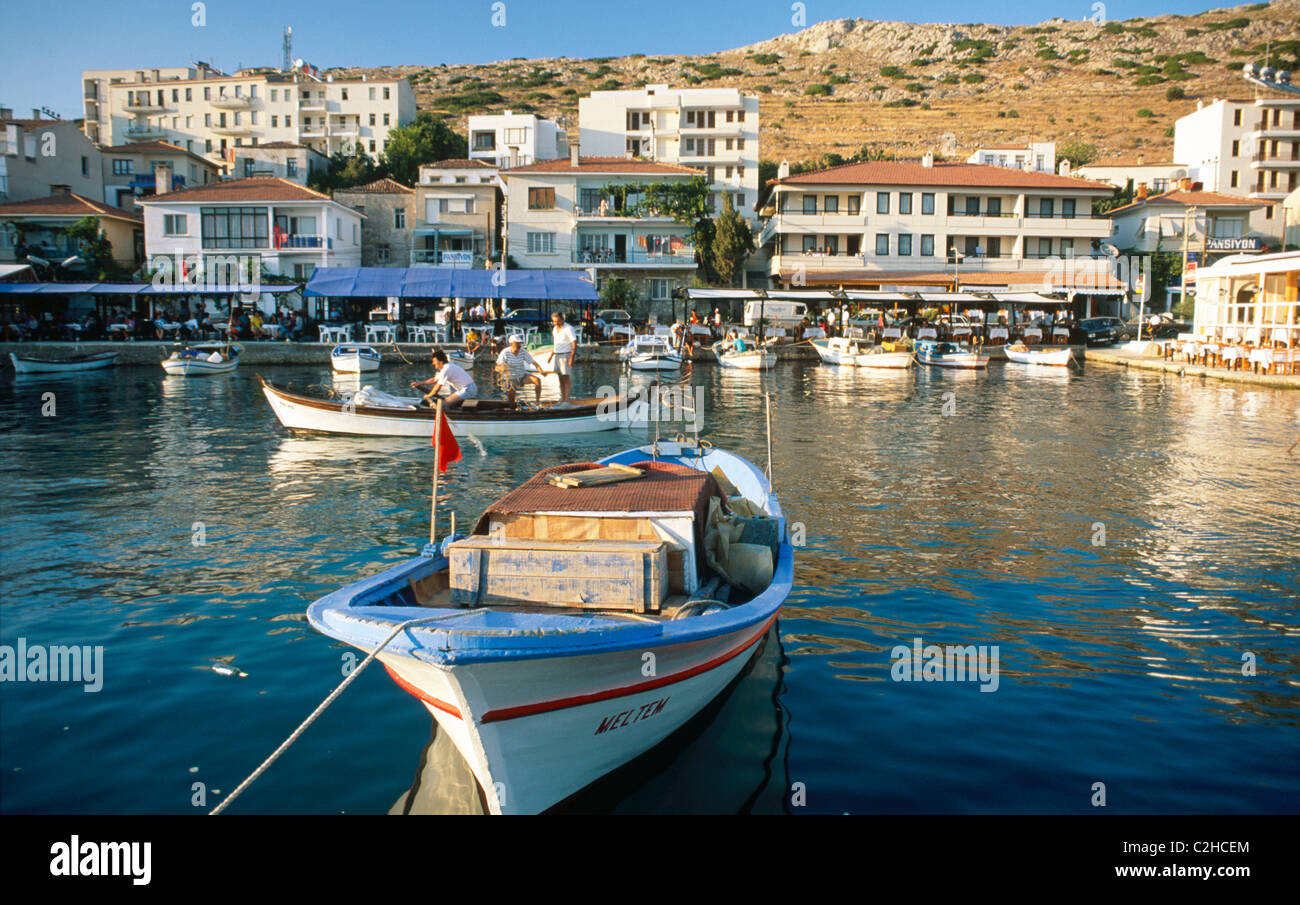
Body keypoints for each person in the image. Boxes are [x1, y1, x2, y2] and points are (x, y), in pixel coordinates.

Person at [411, 349, 477, 409]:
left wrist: (429, 395)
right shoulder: (446, 367)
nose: (433, 363)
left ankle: (448, 419)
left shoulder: (446, 369)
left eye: (434, 361)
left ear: (441, 361)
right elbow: (434, 380)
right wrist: (419, 384)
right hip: (466, 389)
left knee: (443, 405)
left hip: (468, 389)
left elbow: (437, 387)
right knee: (446, 403)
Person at [495, 334, 544, 406]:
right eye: (517, 343)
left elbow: (534, 363)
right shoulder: (505, 352)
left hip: (522, 376)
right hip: (508, 379)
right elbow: (496, 367)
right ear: (511, 344)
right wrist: (501, 368)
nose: (519, 345)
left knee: (537, 380)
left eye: (520, 343)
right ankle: (512, 405)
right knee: (511, 399)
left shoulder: (523, 351)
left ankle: (537, 402)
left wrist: (541, 371)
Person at [550, 311, 577, 405]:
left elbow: (574, 343)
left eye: (557, 321)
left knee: (566, 378)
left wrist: (572, 357)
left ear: (562, 319)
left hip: (566, 354)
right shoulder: (554, 329)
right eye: (554, 321)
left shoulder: (569, 328)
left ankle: (566, 400)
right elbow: (555, 343)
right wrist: (551, 355)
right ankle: (562, 399)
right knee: (560, 378)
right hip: (557, 354)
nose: (555, 323)